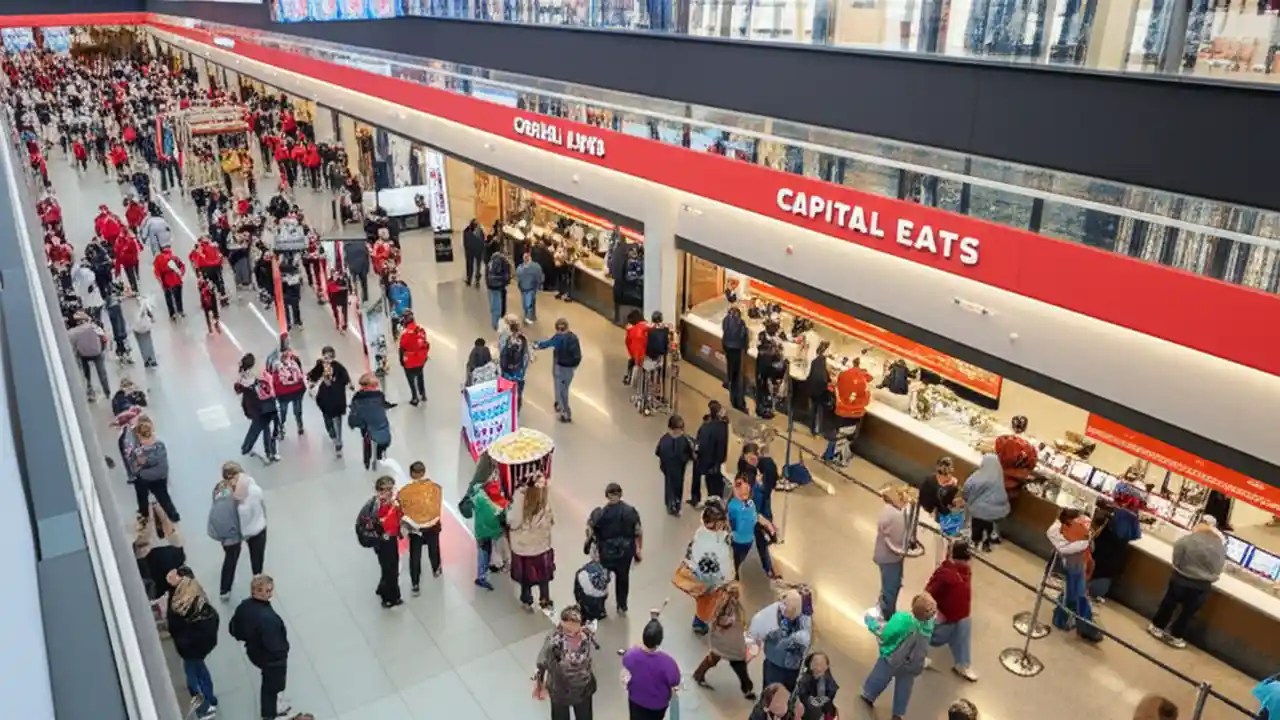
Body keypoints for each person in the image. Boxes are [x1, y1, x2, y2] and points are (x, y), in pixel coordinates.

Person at [1147, 522, 1226, 648]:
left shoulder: (1188, 540)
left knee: (1168, 605)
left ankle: (1157, 627)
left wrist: (1180, 569)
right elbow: (1219, 568)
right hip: (1202, 586)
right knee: (1187, 614)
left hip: (1181, 579)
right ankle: (1176, 636)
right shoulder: (1220, 548)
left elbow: (1177, 555)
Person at [860, 592, 936, 720]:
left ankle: (869, 694)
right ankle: (898, 712)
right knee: (904, 688)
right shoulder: (928, 627)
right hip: (912, 664)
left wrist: (870, 620)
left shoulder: (903, 620)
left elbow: (886, 633)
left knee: (880, 676)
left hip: (893, 657)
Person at [229, 575, 291, 720]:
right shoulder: (268, 618)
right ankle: (270, 714)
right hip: (272, 660)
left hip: (254, 651)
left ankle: (276, 705)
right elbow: (276, 646)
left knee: (269, 683)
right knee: (272, 687)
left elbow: (233, 629)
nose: (270, 594)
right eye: (267, 591)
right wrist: (283, 652)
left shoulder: (244, 607)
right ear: (256, 592)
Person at [165, 567, 220, 720]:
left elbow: (175, 627)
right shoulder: (196, 597)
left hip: (190, 648)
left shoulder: (179, 605)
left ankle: (204, 708)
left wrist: (183, 645)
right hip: (199, 645)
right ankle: (211, 699)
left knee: (193, 677)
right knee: (201, 669)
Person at [585, 482, 642, 616]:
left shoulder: (599, 514)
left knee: (603, 579)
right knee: (623, 579)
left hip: (606, 552)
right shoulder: (631, 511)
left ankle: (600, 605)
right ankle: (622, 605)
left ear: (607, 495)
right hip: (625, 552)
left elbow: (590, 533)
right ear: (621, 494)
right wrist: (638, 549)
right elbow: (638, 532)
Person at [691, 581, 755, 699]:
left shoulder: (724, 601)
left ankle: (698, 674)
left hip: (723, 640)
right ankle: (747, 688)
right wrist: (732, 622)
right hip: (729, 642)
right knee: (738, 664)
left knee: (714, 658)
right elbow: (723, 621)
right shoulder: (727, 607)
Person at [924, 542, 978, 681]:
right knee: (926, 635)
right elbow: (928, 592)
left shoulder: (965, 572)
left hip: (958, 617)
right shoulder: (945, 574)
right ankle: (916, 653)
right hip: (943, 617)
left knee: (964, 628)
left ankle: (963, 664)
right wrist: (934, 611)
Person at [533, 606, 598, 720]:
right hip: (560, 690)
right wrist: (539, 684)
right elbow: (541, 661)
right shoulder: (553, 641)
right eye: (567, 631)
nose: (572, 635)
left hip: (583, 688)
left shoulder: (587, 634)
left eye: (576, 631)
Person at [1047, 507, 1098, 639]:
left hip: (1078, 565)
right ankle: (1085, 627)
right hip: (1071, 566)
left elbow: (1089, 546)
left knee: (1073, 595)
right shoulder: (1055, 530)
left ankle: (1064, 620)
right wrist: (1084, 542)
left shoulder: (1074, 527)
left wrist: (1087, 540)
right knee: (1076, 596)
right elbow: (1064, 549)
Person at [748, 589, 812, 691]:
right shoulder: (769, 617)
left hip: (793, 667)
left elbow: (806, 638)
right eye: (788, 611)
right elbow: (755, 636)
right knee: (771, 692)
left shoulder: (803, 618)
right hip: (774, 665)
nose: (789, 615)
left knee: (787, 693)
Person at [510, 476, 557, 612]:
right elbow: (551, 520)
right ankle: (545, 600)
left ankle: (527, 600)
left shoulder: (520, 499)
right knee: (543, 576)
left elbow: (514, 521)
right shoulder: (544, 500)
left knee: (526, 577)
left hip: (523, 547)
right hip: (541, 546)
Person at [621, 617, 680, 720]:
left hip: (636, 700)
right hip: (657, 705)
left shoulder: (631, 655)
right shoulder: (668, 663)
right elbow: (675, 681)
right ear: (659, 641)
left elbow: (626, 669)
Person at [398, 461, 443, 593]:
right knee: (434, 548)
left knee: (415, 554)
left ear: (412, 474)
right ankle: (436, 568)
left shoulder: (405, 492)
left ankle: (415, 582)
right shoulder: (435, 488)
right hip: (433, 525)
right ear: (424, 472)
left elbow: (402, 508)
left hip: (415, 528)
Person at [821, 357, 872, 464]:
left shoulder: (844, 375)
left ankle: (830, 456)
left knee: (839, 437)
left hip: (841, 412)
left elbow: (835, 387)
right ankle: (838, 458)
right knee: (843, 439)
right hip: (855, 415)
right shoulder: (864, 381)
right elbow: (866, 400)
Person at [131, 415, 181, 523]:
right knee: (163, 494)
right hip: (162, 475)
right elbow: (159, 460)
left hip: (147, 476)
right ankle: (173, 514)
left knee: (140, 486)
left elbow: (141, 462)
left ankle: (144, 512)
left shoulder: (139, 449)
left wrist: (141, 463)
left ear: (139, 435)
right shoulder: (160, 445)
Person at [307, 347, 353, 458]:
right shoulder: (320, 366)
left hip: (336, 397)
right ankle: (333, 435)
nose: (327, 359)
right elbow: (312, 376)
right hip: (326, 398)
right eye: (325, 356)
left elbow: (345, 376)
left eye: (330, 356)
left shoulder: (338, 367)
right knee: (328, 419)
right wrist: (312, 383)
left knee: (337, 420)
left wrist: (349, 384)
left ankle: (338, 441)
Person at [533, 318, 583, 423]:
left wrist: (536, 345)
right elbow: (578, 356)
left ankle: (565, 412)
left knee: (561, 390)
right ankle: (559, 404)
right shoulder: (573, 338)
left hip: (561, 366)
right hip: (569, 368)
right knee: (563, 388)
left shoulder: (558, 338)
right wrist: (574, 365)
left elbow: (547, 343)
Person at [464, 473, 507, 590]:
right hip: (494, 530)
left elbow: (467, 511)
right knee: (493, 549)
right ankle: (486, 572)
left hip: (481, 530)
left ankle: (483, 574)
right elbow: (503, 516)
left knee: (484, 551)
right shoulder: (498, 503)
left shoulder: (478, 495)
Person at [728, 475, 777, 579]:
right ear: (735, 490)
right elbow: (730, 523)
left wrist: (769, 525)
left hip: (748, 541)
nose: (743, 493)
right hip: (736, 542)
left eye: (746, 490)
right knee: (735, 563)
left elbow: (757, 516)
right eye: (739, 489)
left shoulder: (751, 504)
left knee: (739, 561)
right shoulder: (733, 506)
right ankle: (733, 578)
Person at [235, 354, 280, 463]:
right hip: (261, 407)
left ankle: (248, 447)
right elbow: (267, 390)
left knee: (261, 428)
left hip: (255, 407)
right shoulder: (252, 378)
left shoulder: (243, 378)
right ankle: (269, 452)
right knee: (265, 428)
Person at [873, 485, 910, 621]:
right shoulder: (896, 516)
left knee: (889, 584)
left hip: (884, 556)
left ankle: (885, 605)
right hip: (890, 558)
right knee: (891, 587)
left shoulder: (887, 511)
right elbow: (899, 539)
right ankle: (888, 616)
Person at [919, 457, 963, 565]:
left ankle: (940, 561)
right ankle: (941, 562)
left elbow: (922, 497)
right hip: (941, 518)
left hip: (928, 516)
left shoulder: (929, 479)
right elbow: (948, 505)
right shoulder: (952, 486)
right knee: (942, 542)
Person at [961, 454, 1010, 552]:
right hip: (998, 512)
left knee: (977, 524)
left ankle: (976, 541)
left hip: (980, 511)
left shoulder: (978, 476)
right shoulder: (999, 476)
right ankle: (988, 540)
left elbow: (967, 488)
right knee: (988, 523)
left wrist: (966, 498)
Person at [368, 476, 404, 608]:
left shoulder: (392, 502)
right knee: (390, 568)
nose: (388, 492)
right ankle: (390, 597)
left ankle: (385, 590)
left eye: (390, 489)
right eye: (385, 489)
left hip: (390, 539)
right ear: (378, 490)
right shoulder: (378, 505)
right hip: (383, 540)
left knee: (389, 567)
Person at [348, 373, 392, 470]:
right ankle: (379, 455)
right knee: (383, 439)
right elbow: (383, 405)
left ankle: (367, 461)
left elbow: (354, 411)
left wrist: (353, 422)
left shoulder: (357, 396)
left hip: (365, 424)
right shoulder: (379, 395)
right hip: (379, 422)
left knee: (366, 439)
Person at [690, 400, 729, 507]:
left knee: (705, 481)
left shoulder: (706, 427)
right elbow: (721, 446)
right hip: (715, 461)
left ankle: (698, 499)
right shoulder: (722, 427)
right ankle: (715, 503)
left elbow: (702, 443)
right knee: (715, 484)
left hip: (705, 459)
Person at [655, 414, 695, 516]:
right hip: (676, 468)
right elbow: (690, 454)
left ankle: (671, 503)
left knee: (671, 485)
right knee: (675, 486)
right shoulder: (683, 440)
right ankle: (674, 505)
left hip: (670, 468)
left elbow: (658, 452)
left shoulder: (664, 439)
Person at [68, 312, 111, 400]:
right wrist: (104, 349)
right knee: (102, 373)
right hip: (97, 352)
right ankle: (107, 392)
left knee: (86, 374)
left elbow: (72, 346)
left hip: (83, 355)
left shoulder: (72, 332)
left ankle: (90, 391)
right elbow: (104, 337)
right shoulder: (94, 327)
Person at [270, 348, 308, 438]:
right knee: (295, 410)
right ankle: (298, 425)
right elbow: (301, 374)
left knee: (284, 411)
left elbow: (274, 380)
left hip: (286, 393)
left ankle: (282, 428)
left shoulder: (275, 364)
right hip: (294, 391)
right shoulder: (293, 361)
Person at [498, 316, 532, 410]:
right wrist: (523, 369)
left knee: (505, 393)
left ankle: (505, 410)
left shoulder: (505, 337)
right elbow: (527, 356)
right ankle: (516, 410)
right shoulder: (523, 339)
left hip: (506, 373)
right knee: (518, 393)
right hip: (519, 373)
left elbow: (501, 352)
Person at [793, 651, 839, 720]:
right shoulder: (805, 679)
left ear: (827, 666)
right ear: (810, 665)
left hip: (824, 710)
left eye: (822, 664)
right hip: (808, 712)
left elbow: (832, 691)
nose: (818, 667)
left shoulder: (828, 679)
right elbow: (803, 696)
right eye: (815, 664)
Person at [398, 310, 430, 406]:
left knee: (411, 379)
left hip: (410, 361)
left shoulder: (405, 333)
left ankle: (415, 397)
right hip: (421, 359)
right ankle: (423, 394)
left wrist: (401, 361)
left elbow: (402, 348)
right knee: (420, 376)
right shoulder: (421, 330)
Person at [721, 305, 749, 412]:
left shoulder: (726, 320)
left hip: (727, 347)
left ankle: (729, 380)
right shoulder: (741, 324)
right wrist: (745, 348)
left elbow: (724, 329)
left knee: (731, 369)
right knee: (737, 376)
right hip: (737, 350)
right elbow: (744, 338)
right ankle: (738, 402)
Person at [802, 341, 831, 436]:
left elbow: (810, 375)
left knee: (814, 409)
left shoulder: (815, 362)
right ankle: (816, 429)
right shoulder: (823, 364)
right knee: (819, 410)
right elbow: (825, 378)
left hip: (812, 390)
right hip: (820, 391)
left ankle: (813, 427)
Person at [152, 244, 187, 320]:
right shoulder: (174, 257)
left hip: (166, 280)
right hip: (177, 279)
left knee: (168, 298)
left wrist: (160, 280)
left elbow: (156, 271)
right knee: (178, 297)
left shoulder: (158, 258)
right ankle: (180, 310)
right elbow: (182, 265)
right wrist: (181, 273)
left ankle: (172, 313)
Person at [485, 248, 512, 330]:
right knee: (498, 306)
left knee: (493, 305)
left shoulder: (491, 261)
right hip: (498, 287)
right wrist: (505, 283)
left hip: (490, 286)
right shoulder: (505, 262)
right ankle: (497, 324)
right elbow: (507, 276)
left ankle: (494, 322)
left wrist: (488, 283)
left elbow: (486, 273)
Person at [516, 251, 545, 323]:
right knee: (530, 301)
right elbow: (540, 277)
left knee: (527, 303)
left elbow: (518, 278)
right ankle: (532, 315)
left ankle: (528, 317)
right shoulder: (535, 266)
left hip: (528, 288)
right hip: (529, 288)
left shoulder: (521, 268)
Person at [462, 218, 485, 287]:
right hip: (478, 250)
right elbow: (482, 240)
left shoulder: (466, 231)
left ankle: (469, 280)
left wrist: (466, 250)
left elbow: (465, 242)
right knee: (478, 265)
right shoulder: (480, 231)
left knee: (470, 265)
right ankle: (477, 281)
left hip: (470, 251)